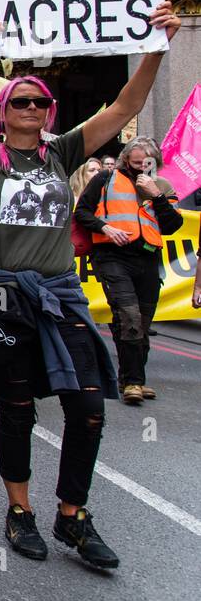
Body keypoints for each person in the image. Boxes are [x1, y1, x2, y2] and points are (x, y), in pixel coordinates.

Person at [0, 2, 179, 571]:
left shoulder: (63, 152)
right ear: (5, 113)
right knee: (17, 406)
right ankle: (20, 510)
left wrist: (155, 46)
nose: (32, 107)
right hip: (2, 299)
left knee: (87, 408)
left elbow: (127, 105)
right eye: (22, 102)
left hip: (60, 296)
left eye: (41, 102)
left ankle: (73, 515)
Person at [74, 137, 182, 405]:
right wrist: (105, 227)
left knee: (142, 323)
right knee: (129, 315)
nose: (140, 169)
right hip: (111, 255)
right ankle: (134, 382)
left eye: (146, 164)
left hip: (147, 258)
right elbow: (82, 213)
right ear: (125, 160)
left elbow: (172, 225)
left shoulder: (163, 186)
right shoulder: (105, 180)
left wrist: (156, 195)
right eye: (135, 164)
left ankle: (131, 377)